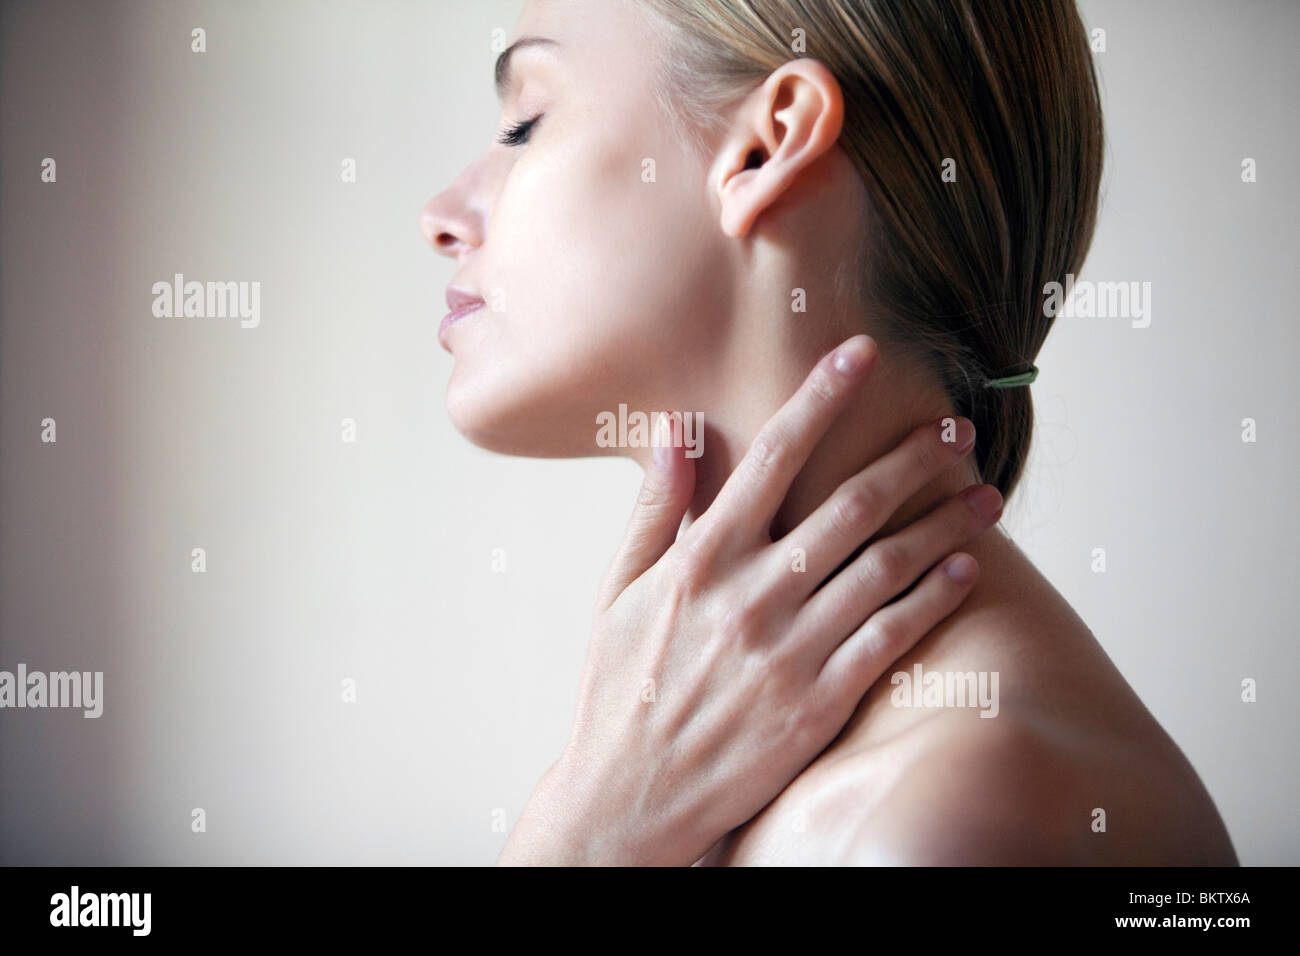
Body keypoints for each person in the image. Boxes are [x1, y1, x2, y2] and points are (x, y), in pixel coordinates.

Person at [420, 0, 1237, 865]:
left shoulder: (939, 819)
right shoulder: (825, 780)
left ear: (768, 146)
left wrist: (583, 835)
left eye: (524, 125)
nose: (442, 214)